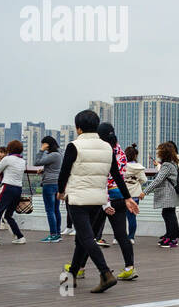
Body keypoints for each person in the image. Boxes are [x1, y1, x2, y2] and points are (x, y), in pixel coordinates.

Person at [57, 109, 139, 292]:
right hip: (98, 199)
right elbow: (117, 175)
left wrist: (61, 191)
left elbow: (63, 173)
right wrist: (127, 197)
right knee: (82, 239)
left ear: (78, 128)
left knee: (86, 238)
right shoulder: (107, 148)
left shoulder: (74, 146)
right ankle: (71, 277)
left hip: (78, 199)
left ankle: (105, 273)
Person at [93, 123, 137, 280]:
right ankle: (129, 268)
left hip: (105, 197)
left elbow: (103, 178)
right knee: (121, 235)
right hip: (120, 196)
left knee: (89, 235)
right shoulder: (121, 152)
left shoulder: (103, 152)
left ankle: (79, 268)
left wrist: (105, 203)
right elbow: (120, 176)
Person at [0, 139, 27, 245]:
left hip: (7, 188)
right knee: (8, 215)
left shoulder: (7, 159)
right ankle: (19, 237)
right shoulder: (22, 161)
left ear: (9, 149)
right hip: (18, 189)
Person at [138, 142, 179, 247]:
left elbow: (158, 180)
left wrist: (145, 191)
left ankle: (171, 239)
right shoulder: (172, 163)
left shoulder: (167, 165)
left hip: (168, 194)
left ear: (164, 153)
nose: (158, 153)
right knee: (168, 214)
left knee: (168, 215)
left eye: (160, 151)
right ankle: (171, 236)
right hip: (172, 194)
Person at [36, 136, 63, 242]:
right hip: (57, 183)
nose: (42, 146)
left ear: (47, 144)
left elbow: (36, 161)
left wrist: (41, 150)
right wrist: (44, 170)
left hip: (49, 184)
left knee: (50, 210)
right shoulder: (59, 154)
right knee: (56, 209)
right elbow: (55, 168)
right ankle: (58, 233)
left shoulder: (53, 154)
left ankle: (53, 234)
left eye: (43, 144)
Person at [122, 144, 145, 242]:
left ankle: (117, 237)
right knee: (132, 217)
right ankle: (131, 237)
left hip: (122, 195)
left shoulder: (122, 166)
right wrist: (136, 181)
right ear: (135, 155)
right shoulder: (139, 168)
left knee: (120, 218)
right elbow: (144, 180)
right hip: (135, 195)